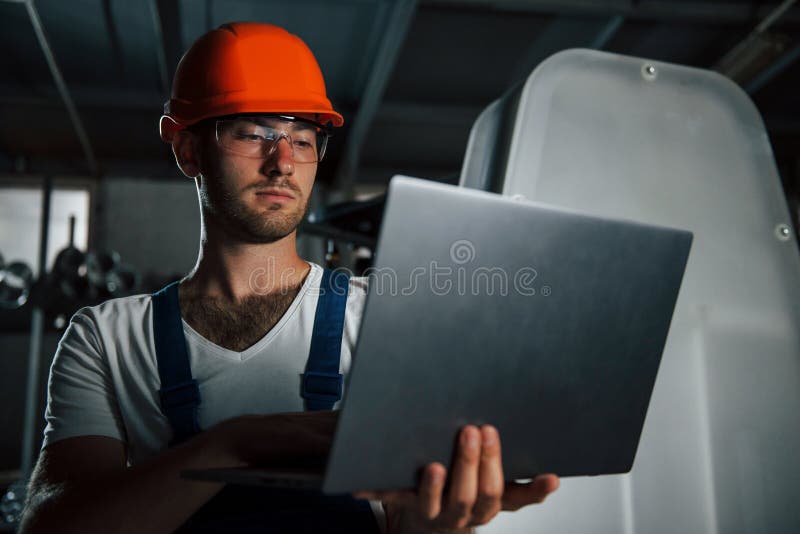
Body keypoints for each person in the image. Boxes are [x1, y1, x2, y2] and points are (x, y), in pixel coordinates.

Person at [19, 22, 559, 533]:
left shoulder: (385, 320)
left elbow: (407, 523)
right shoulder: (106, 339)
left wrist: (443, 520)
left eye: (303, 139)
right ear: (187, 148)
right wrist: (236, 444)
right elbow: (54, 527)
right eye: (253, 134)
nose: (282, 162)